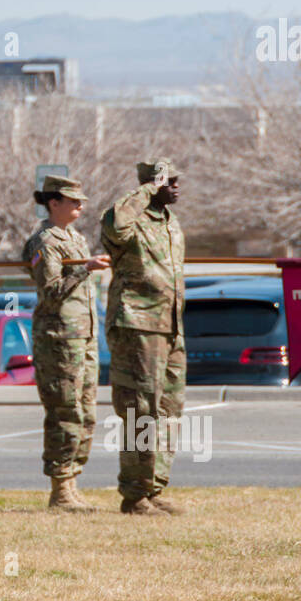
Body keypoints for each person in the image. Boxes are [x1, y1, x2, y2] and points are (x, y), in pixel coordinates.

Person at [101, 159, 187, 516]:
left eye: (178, 180)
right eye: (170, 181)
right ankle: (134, 495)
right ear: (151, 185)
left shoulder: (170, 221)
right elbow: (115, 224)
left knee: (169, 409)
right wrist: (147, 190)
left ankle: (153, 488)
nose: (177, 187)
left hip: (170, 326)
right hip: (137, 325)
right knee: (140, 411)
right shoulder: (129, 218)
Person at [22, 175, 110, 512]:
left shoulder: (75, 238)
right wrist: (85, 269)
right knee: (64, 411)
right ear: (53, 203)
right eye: (73, 201)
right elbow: (52, 290)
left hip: (83, 338)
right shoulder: (45, 241)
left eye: (81, 201)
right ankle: (60, 488)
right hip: (59, 339)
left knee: (85, 413)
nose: (80, 206)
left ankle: (72, 484)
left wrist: (86, 266)